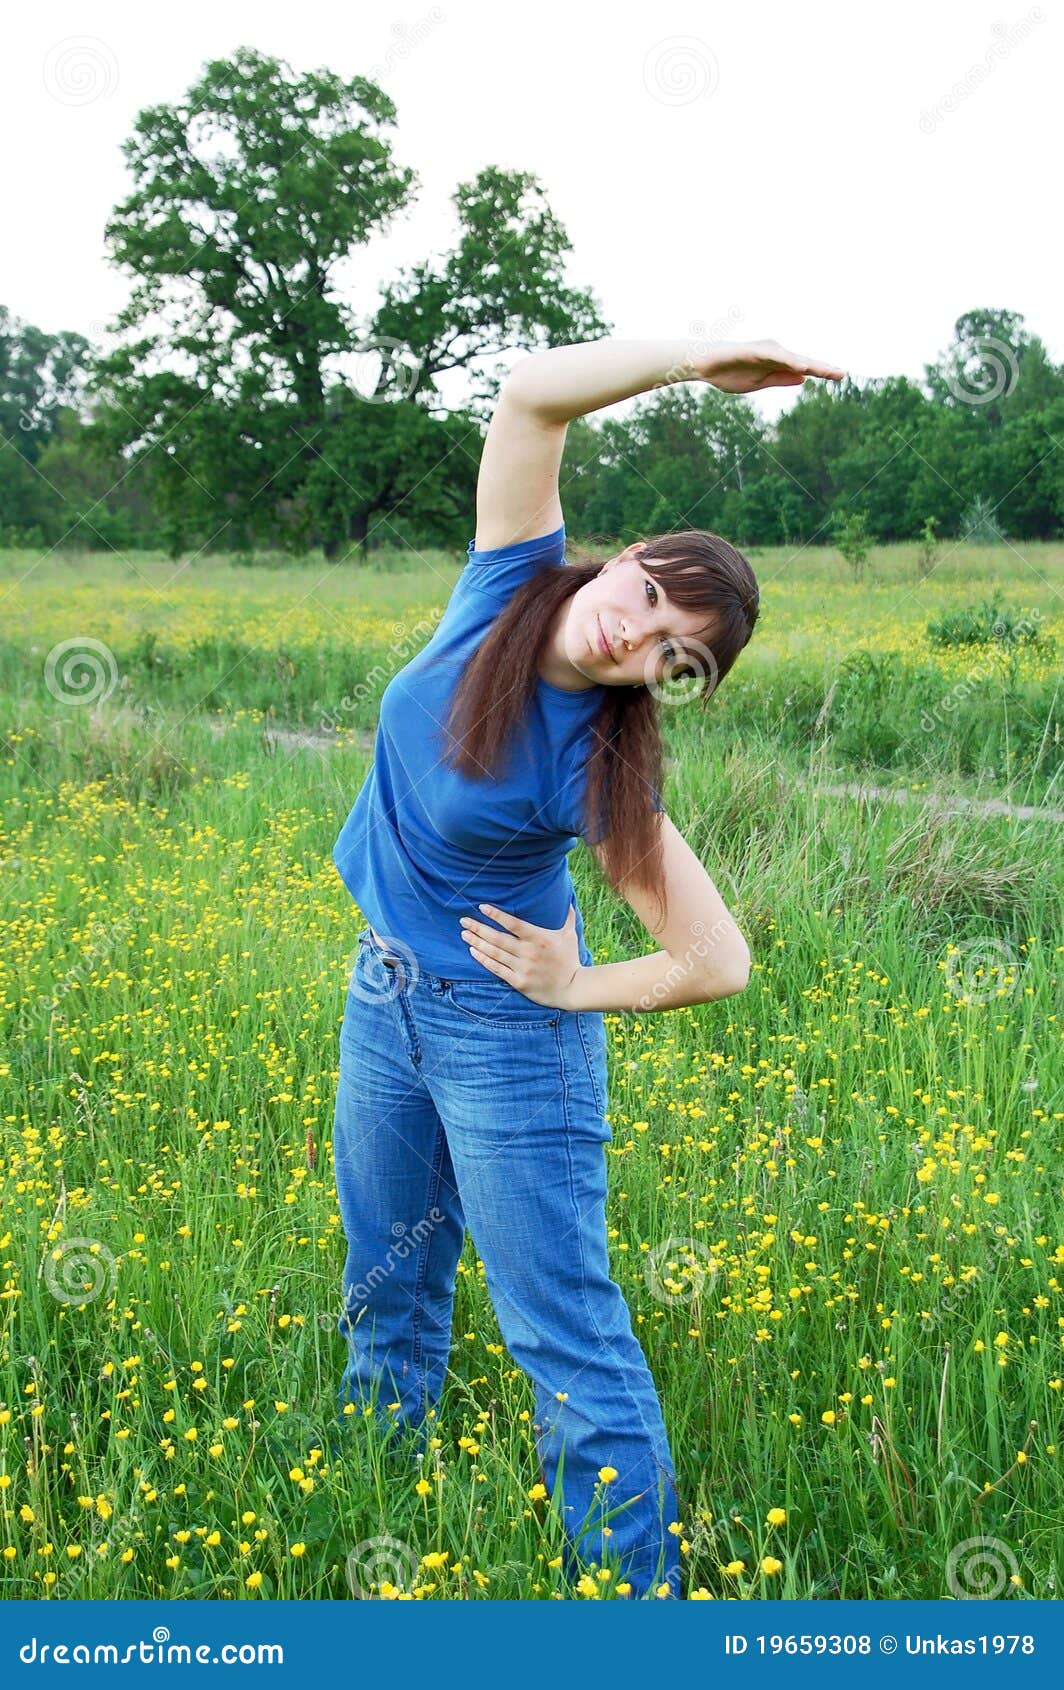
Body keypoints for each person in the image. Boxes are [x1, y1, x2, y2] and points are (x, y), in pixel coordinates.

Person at [330, 335, 846, 1598]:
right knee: (385, 1271)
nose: (638, 628)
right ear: (624, 554)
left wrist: (572, 987)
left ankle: (636, 1604)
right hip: (383, 991)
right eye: (654, 590)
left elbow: (713, 959)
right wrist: (694, 356)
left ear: (668, 683)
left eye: (671, 646)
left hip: (506, 1036)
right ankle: (364, 1486)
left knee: (558, 1327)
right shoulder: (506, 585)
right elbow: (526, 394)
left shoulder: (593, 766)